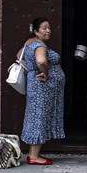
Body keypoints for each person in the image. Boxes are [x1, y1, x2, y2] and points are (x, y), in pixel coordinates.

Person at [18, 17, 65, 164]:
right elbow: (41, 61)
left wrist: (30, 70)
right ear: (36, 31)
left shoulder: (29, 43)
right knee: (39, 117)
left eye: (49, 27)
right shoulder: (40, 46)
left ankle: (33, 154)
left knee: (36, 116)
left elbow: (19, 56)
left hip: (35, 85)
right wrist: (45, 73)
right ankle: (34, 156)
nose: (48, 31)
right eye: (44, 28)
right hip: (41, 88)